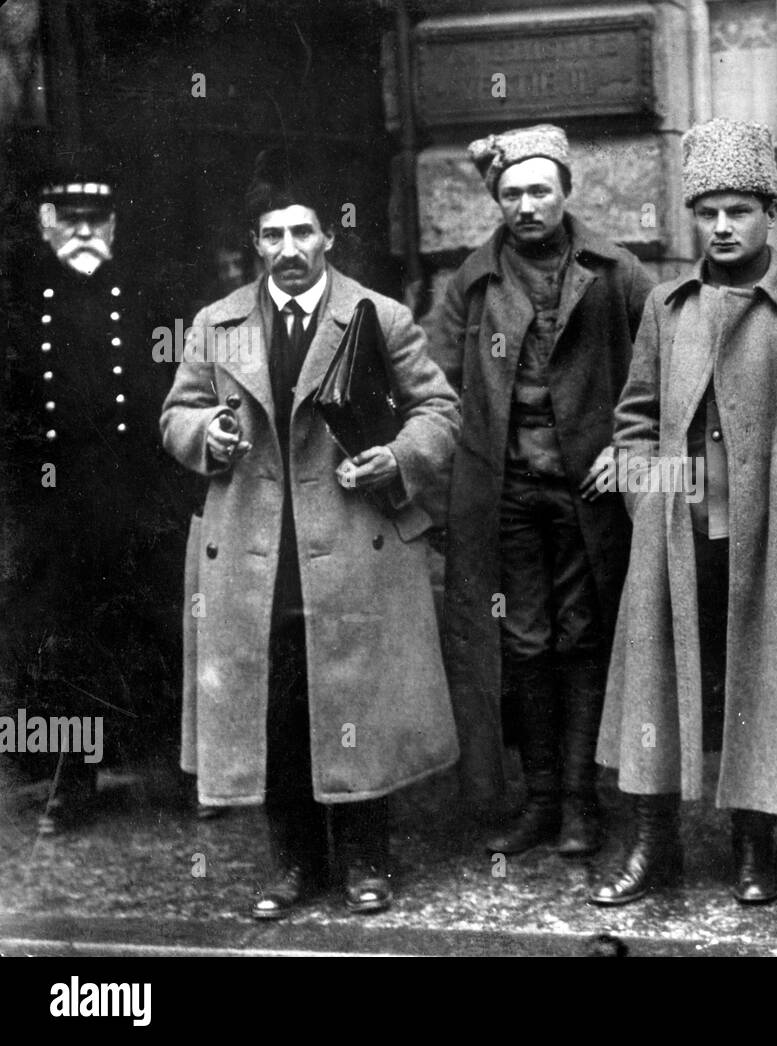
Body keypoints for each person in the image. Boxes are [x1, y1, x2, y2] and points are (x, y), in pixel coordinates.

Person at [160, 150, 461, 919]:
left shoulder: (377, 316)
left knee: (354, 699)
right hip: (258, 552)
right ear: (255, 245)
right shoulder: (218, 324)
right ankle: (294, 864)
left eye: (302, 232)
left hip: (351, 538)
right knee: (278, 707)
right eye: (272, 236)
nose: (288, 250)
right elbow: (175, 413)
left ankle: (366, 860)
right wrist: (208, 435)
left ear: (329, 237)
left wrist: (395, 457)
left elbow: (441, 412)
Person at [590, 118, 777, 906]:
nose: (722, 226)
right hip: (676, 538)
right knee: (659, 688)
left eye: (739, 210)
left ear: (768, 213)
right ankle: (656, 844)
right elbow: (636, 415)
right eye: (708, 210)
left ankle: (757, 847)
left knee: (761, 689)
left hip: (771, 538)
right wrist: (648, 497)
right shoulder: (667, 305)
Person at [423, 124, 654, 857]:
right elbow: (435, 387)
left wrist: (628, 448)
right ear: (498, 200)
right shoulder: (469, 281)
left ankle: (583, 802)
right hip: (504, 492)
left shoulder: (618, 272)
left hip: (591, 492)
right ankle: (541, 797)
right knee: (523, 640)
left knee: (584, 636)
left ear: (566, 192)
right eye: (512, 193)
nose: (526, 205)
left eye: (539, 191)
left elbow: (667, 375)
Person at [0, 164, 182, 835]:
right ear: (45, 225)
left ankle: (180, 769)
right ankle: (71, 777)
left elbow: (182, 382)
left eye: (94, 220)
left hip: (138, 491)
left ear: (113, 226)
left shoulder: (149, 293)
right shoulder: (17, 297)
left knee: (158, 626)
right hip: (56, 502)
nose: (82, 231)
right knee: (64, 640)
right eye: (68, 219)